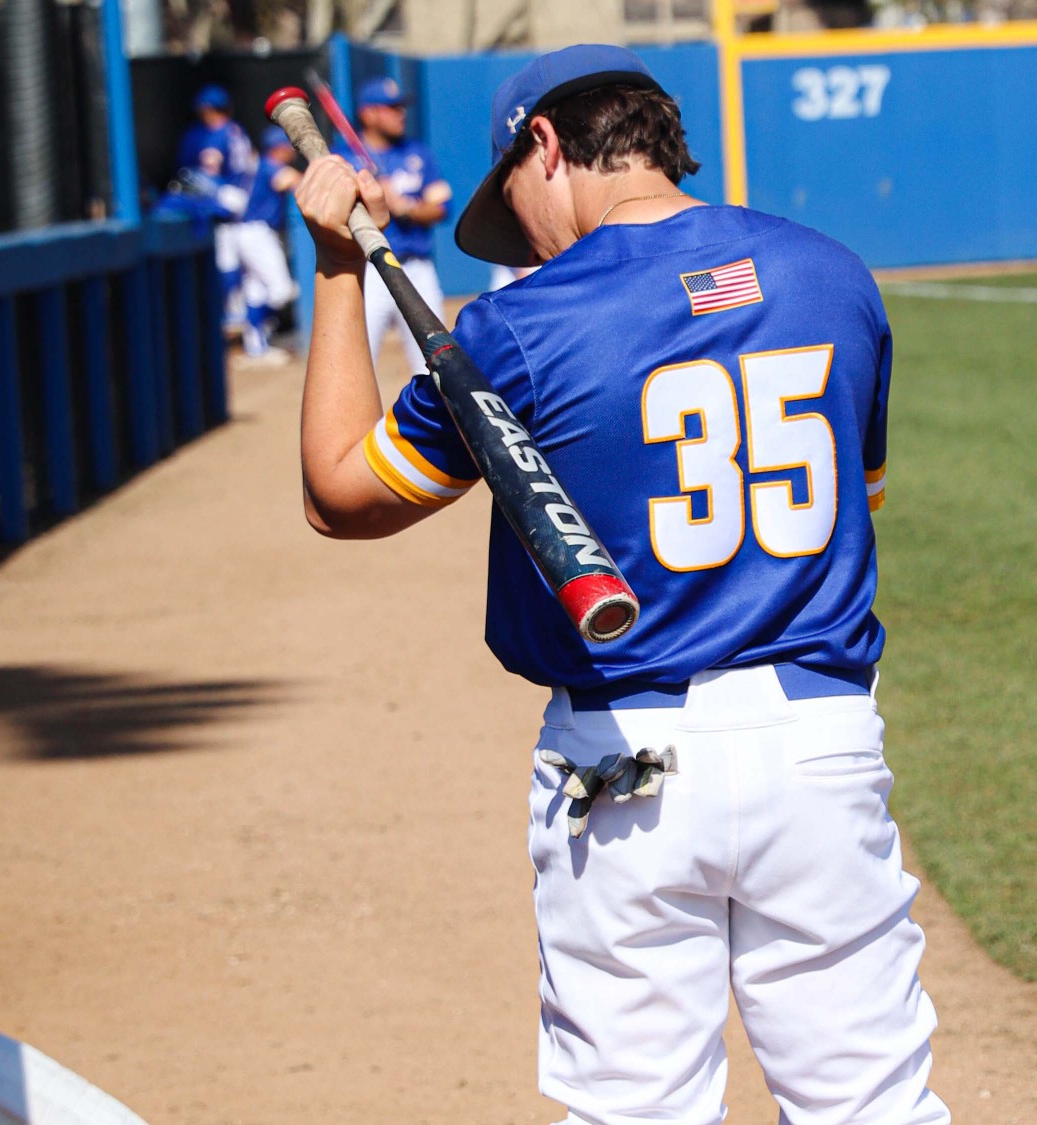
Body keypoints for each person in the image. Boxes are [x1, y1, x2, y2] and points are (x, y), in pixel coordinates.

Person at [289, 45, 948, 1125]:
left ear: (542, 144)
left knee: (634, 1112)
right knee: (871, 1104)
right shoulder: (832, 274)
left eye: (516, 209)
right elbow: (855, 501)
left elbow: (338, 496)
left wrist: (335, 268)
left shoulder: (516, 329)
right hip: (820, 748)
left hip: (626, 762)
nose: (528, 246)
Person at [334, 76, 452, 378]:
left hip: (417, 269)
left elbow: (441, 207)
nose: (400, 113)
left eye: (401, 106)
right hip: (370, 270)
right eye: (391, 107)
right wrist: (375, 200)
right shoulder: (345, 159)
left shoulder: (416, 152)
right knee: (358, 367)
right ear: (368, 114)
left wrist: (407, 207)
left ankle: (439, 426)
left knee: (437, 367)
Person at [175, 84, 258, 327]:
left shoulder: (209, 135)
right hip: (240, 200)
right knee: (237, 267)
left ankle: (227, 315)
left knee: (230, 263)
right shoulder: (236, 131)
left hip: (224, 200)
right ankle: (234, 316)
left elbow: (194, 172)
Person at [236, 127, 301, 363]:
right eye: (288, 147)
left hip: (250, 232)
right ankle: (263, 333)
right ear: (278, 148)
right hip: (257, 232)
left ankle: (256, 346)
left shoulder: (260, 165)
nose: (291, 152)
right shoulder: (269, 165)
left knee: (257, 290)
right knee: (281, 290)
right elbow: (292, 181)